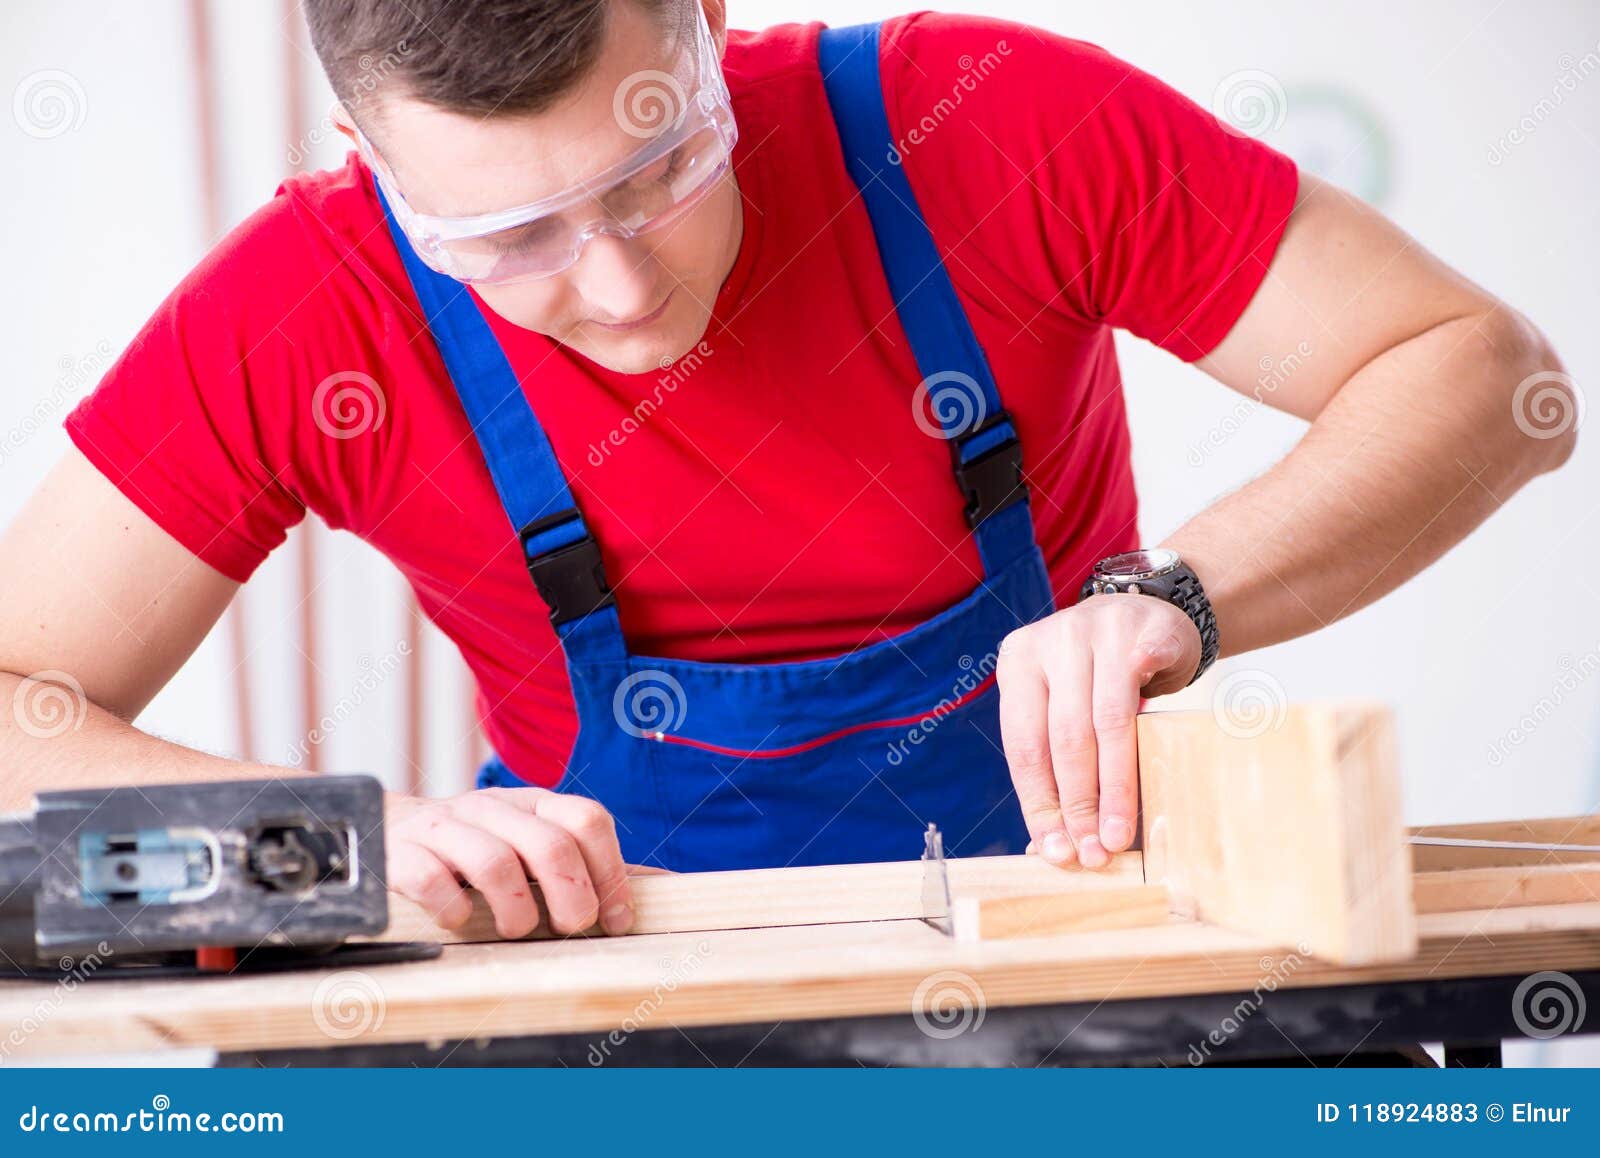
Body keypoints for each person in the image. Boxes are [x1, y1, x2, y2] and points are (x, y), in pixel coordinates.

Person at [0, 0, 1573, 941]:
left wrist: (1173, 596)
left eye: (659, 166)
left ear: (703, 21)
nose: (619, 291)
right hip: (622, 1003)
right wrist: (336, 836)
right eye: (508, 238)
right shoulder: (303, 310)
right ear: (369, 154)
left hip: (1083, 955)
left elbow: (1487, 373)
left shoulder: (985, 122)